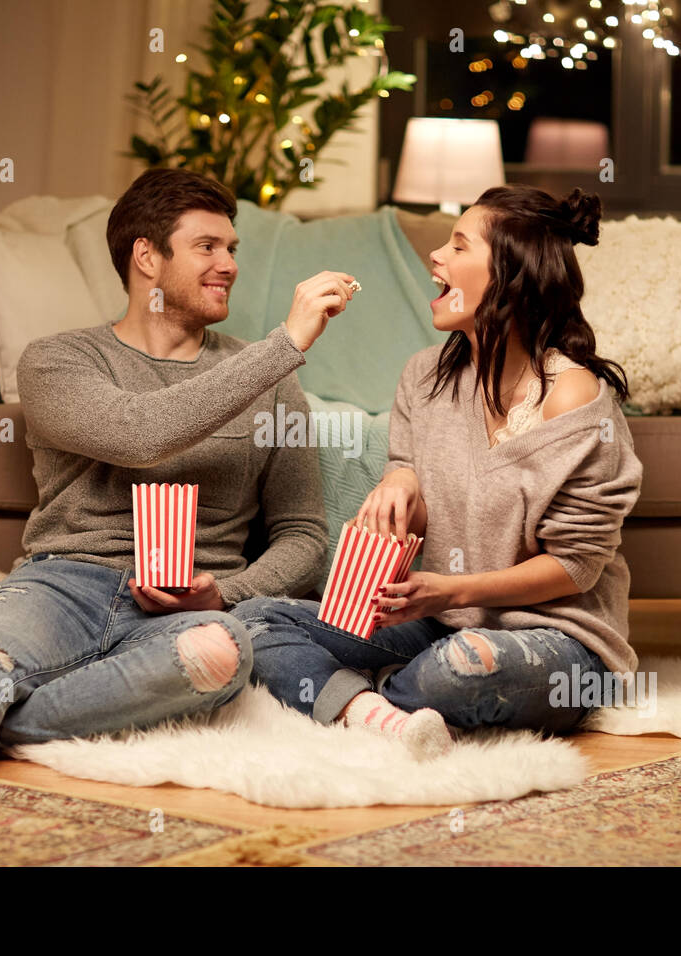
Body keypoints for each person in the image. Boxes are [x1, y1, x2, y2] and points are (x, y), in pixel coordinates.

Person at [0, 167, 355, 833]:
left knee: (220, 653)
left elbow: (303, 535)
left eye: (233, 249)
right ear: (146, 256)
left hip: (184, 608)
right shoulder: (57, 361)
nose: (228, 265)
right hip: (65, 582)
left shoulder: (271, 382)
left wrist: (227, 592)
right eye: (207, 247)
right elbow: (143, 433)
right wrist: (285, 344)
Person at [232, 185, 643, 760]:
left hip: (559, 642)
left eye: (457, 245)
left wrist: (452, 589)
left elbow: (576, 564)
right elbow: (423, 481)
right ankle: (377, 715)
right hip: (441, 620)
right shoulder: (425, 377)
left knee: (461, 668)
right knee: (253, 621)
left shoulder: (572, 399)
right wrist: (401, 482)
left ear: (510, 275)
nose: (436, 258)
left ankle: (360, 695)